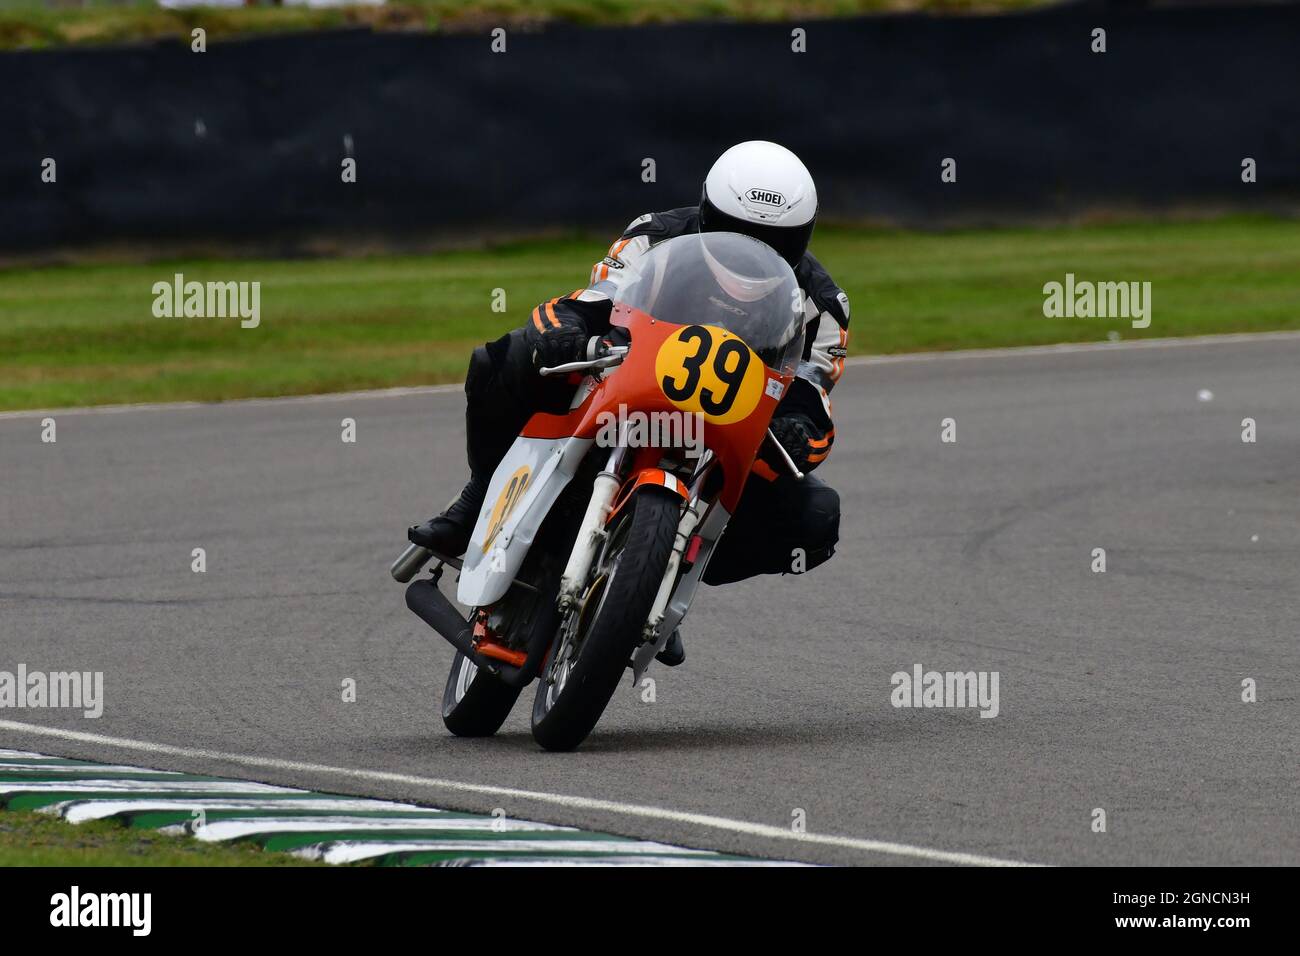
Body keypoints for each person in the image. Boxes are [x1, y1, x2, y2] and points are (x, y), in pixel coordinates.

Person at [409, 141, 849, 666]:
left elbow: (812, 395)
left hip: (722, 436)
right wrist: (567, 328)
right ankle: (478, 496)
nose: (750, 252)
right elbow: (599, 295)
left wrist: (800, 432)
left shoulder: (824, 305)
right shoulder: (655, 234)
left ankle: (656, 578)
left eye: (774, 241)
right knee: (503, 358)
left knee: (815, 517)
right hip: (625, 384)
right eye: (735, 232)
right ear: (707, 213)